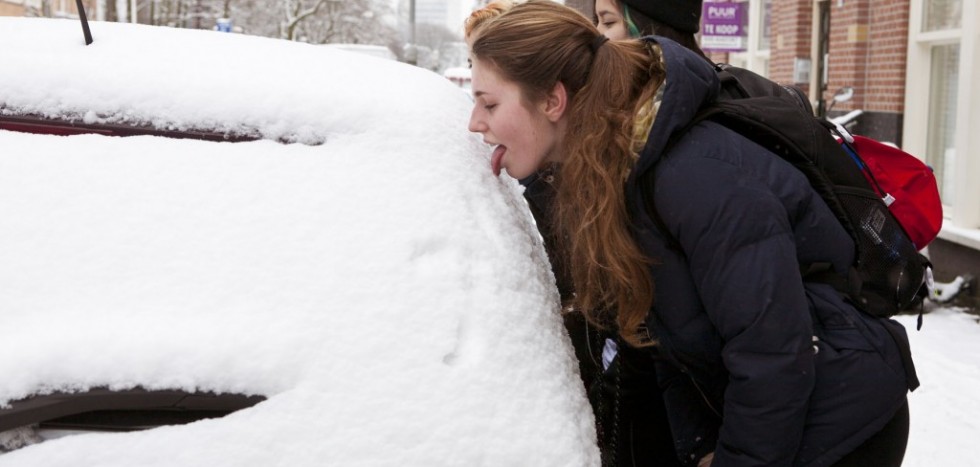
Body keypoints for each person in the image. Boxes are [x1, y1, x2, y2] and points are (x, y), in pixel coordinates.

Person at [466, 2, 914, 466]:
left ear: (552, 101)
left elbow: (772, 352)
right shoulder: (614, 167)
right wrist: (700, 444)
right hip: (773, 415)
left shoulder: (694, 177)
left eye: (489, 103)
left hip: (841, 423)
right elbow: (665, 335)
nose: (475, 122)